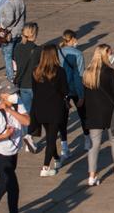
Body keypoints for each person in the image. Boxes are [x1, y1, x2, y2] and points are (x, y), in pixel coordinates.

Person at [83, 44, 114, 187]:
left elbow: (85, 94)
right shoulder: (110, 72)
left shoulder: (87, 72)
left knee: (94, 145)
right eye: (111, 53)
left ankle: (92, 176)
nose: (112, 55)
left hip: (93, 113)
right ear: (105, 54)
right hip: (110, 112)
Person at [0, 81, 29, 213]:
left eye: (15, 92)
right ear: (3, 95)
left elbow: (27, 121)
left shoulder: (17, 104)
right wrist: (5, 136)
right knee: (13, 186)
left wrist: (9, 109)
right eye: (11, 93)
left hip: (13, 153)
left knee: (3, 184)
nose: (15, 95)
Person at [30, 44, 68, 176]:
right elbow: (65, 90)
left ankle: (57, 159)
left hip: (40, 109)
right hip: (55, 109)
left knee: (50, 135)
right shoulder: (60, 71)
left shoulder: (36, 71)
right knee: (51, 139)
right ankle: (45, 167)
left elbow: (34, 91)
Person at [59, 30, 86, 156]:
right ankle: (87, 140)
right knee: (83, 114)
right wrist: (81, 95)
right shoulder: (78, 54)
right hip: (74, 88)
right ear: (73, 39)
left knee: (63, 118)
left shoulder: (58, 52)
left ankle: (64, 145)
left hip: (61, 89)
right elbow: (80, 76)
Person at [0, 0, 26, 86]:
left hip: (10, 34)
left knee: (7, 56)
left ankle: (10, 77)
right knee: (15, 55)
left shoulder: (9, 3)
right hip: (19, 32)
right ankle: (20, 73)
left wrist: (2, 25)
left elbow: (10, 19)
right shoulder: (21, 1)